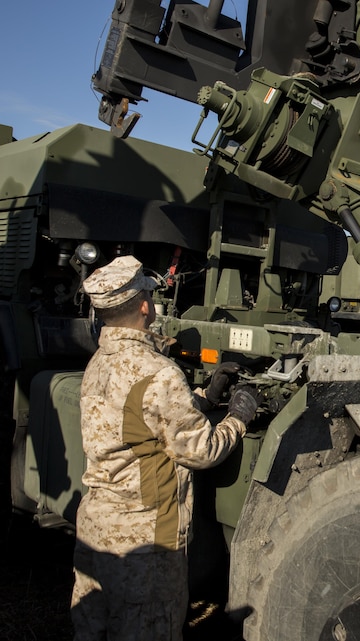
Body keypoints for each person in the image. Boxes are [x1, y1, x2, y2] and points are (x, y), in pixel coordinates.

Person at [70, 255, 258, 641]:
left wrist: (204, 397)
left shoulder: (99, 361)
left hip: (97, 527)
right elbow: (201, 450)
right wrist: (238, 418)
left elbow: (138, 421)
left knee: (95, 629)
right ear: (145, 306)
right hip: (146, 543)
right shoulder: (159, 373)